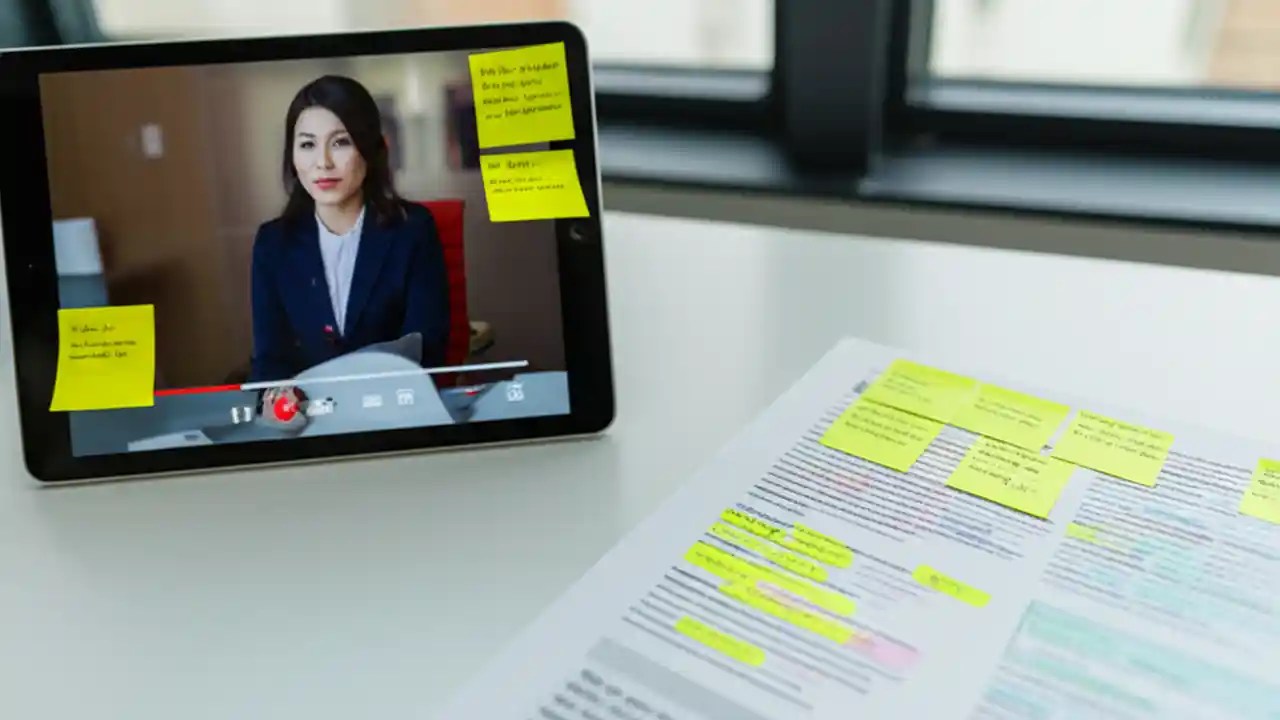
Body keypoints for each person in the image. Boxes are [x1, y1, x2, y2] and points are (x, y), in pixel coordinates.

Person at [249, 75, 450, 406]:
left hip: (397, 413)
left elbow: (426, 350)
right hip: (309, 424)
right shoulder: (273, 244)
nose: (323, 162)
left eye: (340, 142)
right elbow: (270, 360)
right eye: (307, 144)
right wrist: (274, 404)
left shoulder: (412, 230)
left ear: (369, 150)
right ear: (293, 156)